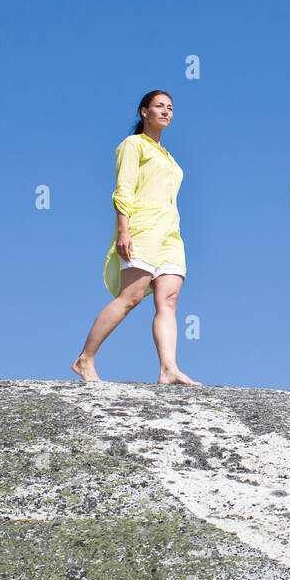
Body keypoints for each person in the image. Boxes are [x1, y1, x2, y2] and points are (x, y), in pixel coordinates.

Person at [71, 90, 200, 385]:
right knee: (130, 297)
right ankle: (85, 358)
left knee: (169, 298)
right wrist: (123, 230)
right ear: (144, 112)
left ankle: (168, 368)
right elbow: (123, 190)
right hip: (142, 229)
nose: (166, 112)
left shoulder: (169, 157)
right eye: (159, 106)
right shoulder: (133, 145)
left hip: (171, 235)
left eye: (170, 107)